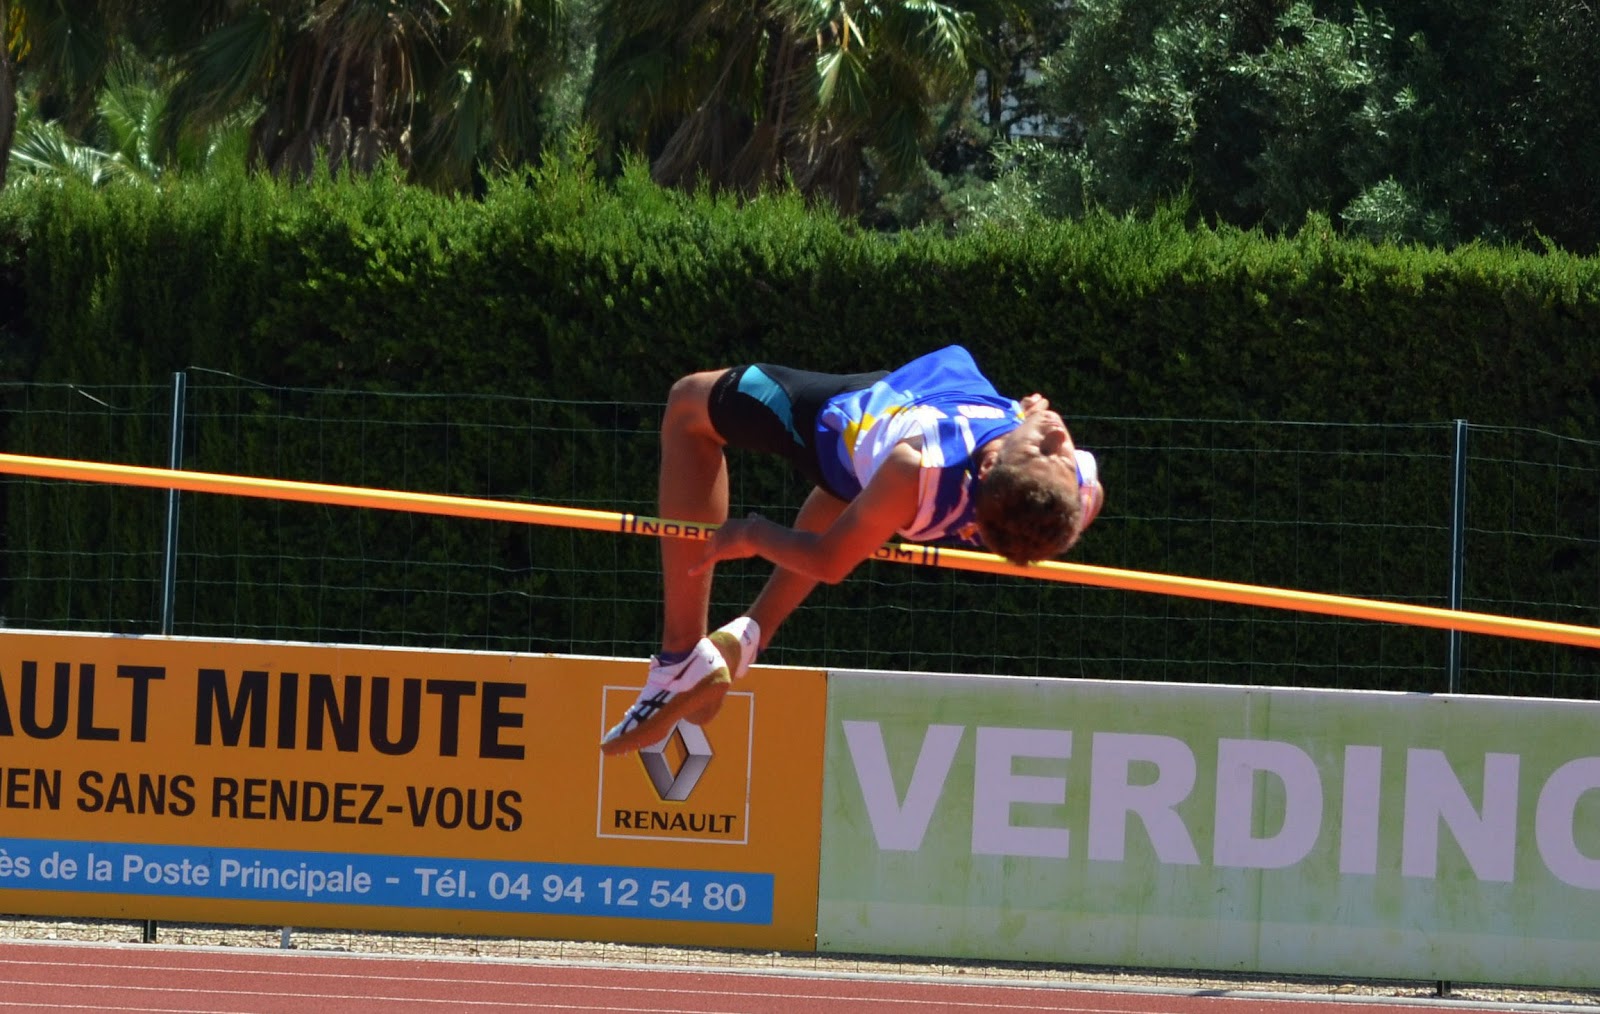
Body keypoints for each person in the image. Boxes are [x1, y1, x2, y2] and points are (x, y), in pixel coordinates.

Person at [599, 344, 1105, 755]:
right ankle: (745, 641)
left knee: (689, 404)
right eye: (1059, 455)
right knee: (857, 511)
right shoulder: (1074, 495)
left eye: (1042, 447)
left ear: (988, 469)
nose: (1058, 437)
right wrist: (1034, 434)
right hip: (923, 411)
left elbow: (827, 560)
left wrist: (752, 533)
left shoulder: (915, 470)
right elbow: (1051, 469)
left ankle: (680, 658)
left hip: (847, 431)